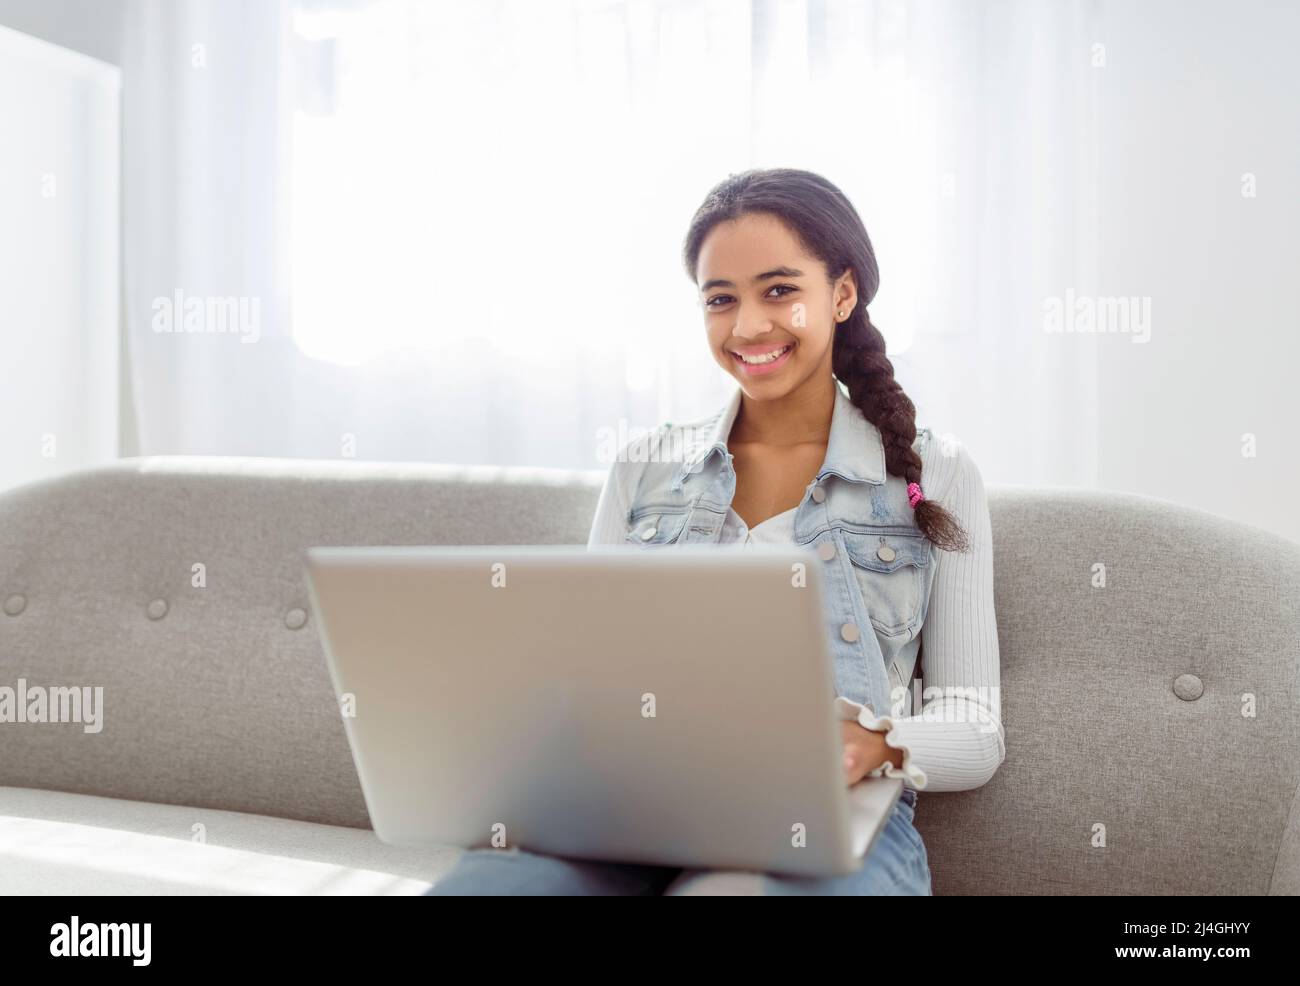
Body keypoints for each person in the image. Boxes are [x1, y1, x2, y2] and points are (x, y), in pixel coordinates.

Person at [428, 167, 1004, 895]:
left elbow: (975, 725)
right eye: (720, 300)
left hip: (830, 816)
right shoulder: (644, 467)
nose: (748, 327)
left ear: (843, 293)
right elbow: (590, 675)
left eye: (780, 290)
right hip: (634, 805)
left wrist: (868, 743)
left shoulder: (936, 471)